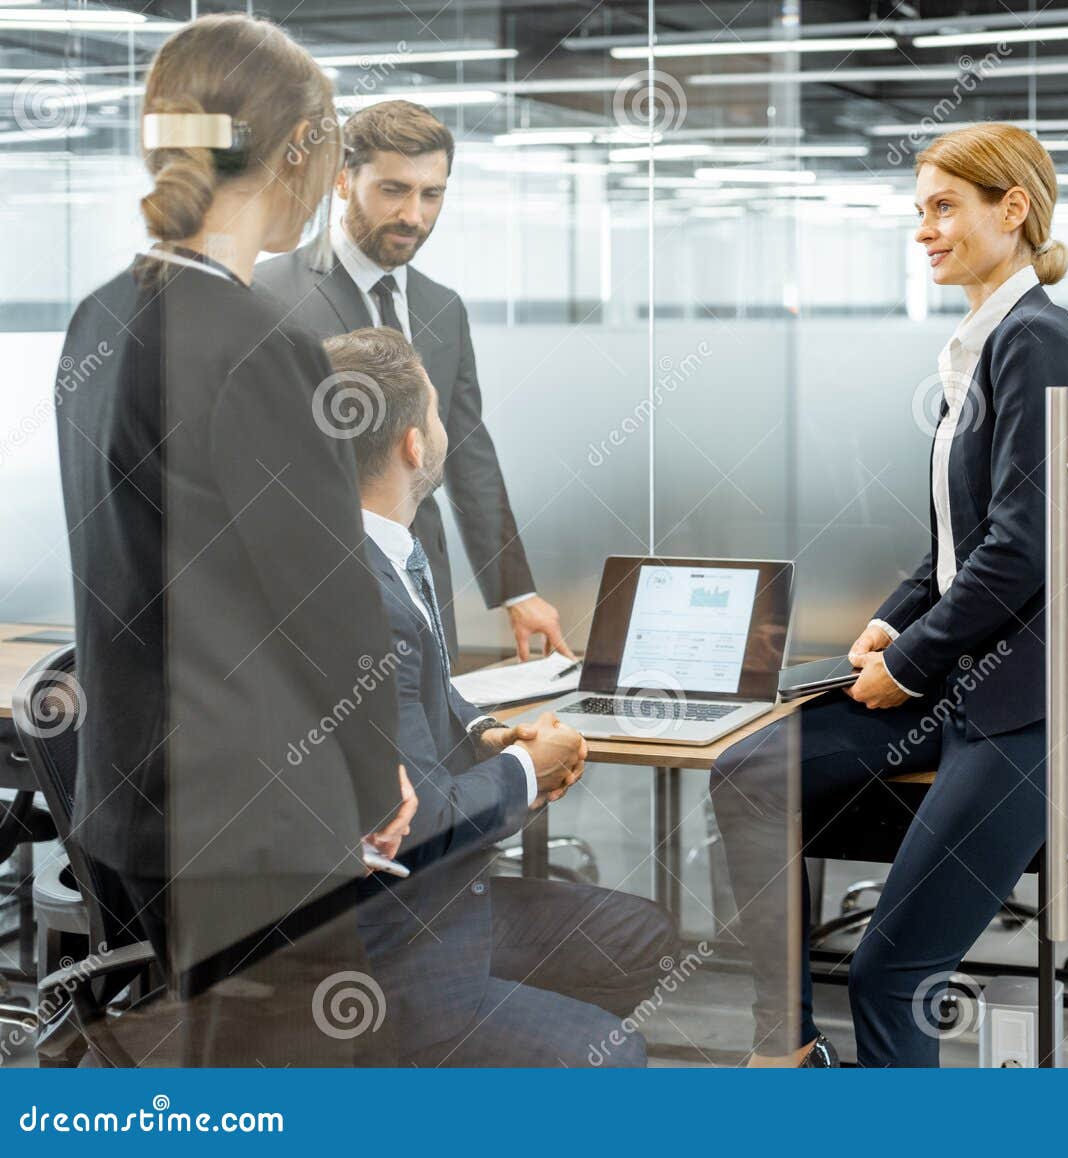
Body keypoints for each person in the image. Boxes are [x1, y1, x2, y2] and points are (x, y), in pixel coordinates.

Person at [52, 13, 413, 1061]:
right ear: (296, 150)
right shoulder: (260, 344)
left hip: (126, 803)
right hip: (252, 822)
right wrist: (374, 765)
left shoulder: (99, 318)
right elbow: (325, 595)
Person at [709, 122, 1068, 1067]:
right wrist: (894, 614)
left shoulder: (1037, 340)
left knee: (891, 977)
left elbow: (1021, 550)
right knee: (750, 772)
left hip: (1019, 710)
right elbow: (956, 545)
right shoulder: (980, 345)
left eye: (943, 207)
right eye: (919, 210)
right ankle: (785, 1044)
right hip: (953, 677)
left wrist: (911, 664)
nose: (924, 229)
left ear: (1012, 211)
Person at [325, 326, 675, 1066]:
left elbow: (407, 712)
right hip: (384, 942)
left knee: (640, 937)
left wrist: (487, 737)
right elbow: (413, 829)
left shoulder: (374, 550)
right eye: (438, 411)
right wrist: (527, 772)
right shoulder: (362, 588)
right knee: (614, 1059)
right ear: (416, 444)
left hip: (411, 898)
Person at [256, 100, 566, 665]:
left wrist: (516, 591)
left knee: (433, 740)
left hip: (422, 581)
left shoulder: (441, 308)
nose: (414, 216)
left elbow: (467, 451)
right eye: (394, 190)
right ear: (344, 180)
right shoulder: (269, 296)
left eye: (432, 194)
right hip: (310, 592)